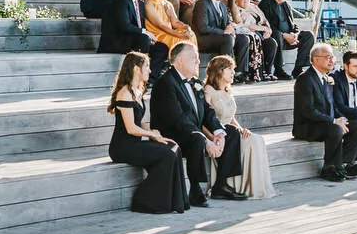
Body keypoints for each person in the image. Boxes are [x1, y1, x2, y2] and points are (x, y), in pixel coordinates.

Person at [150, 42, 241, 206]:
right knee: (197, 140)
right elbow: (178, 120)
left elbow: (207, 111)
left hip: (191, 131)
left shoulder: (195, 82)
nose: (198, 62)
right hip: (173, 134)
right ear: (179, 61)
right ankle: (195, 189)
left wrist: (218, 132)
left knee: (231, 132)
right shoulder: (165, 83)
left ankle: (221, 184)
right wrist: (206, 140)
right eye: (194, 58)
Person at [106, 53, 189, 214]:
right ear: (136, 68)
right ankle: (145, 200)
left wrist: (152, 131)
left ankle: (177, 201)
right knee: (167, 154)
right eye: (147, 67)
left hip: (135, 143)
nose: (150, 71)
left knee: (174, 147)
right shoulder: (125, 93)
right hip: (123, 147)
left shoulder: (137, 90)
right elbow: (131, 128)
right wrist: (151, 136)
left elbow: (139, 120)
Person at [203, 55, 272, 198]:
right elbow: (204, 117)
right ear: (219, 70)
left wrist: (241, 128)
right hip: (215, 131)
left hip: (230, 129)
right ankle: (222, 184)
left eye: (233, 69)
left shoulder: (228, 91)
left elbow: (231, 117)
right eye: (229, 69)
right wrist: (211, 137)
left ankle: (251, 187)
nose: (233, 72)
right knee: (235, 133)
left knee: (256, 139)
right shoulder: (208, 90)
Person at [294, 42, 357, 181]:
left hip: (326, 123)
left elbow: (332, 106)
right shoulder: (305, 78)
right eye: (327, 57)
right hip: (308, 126)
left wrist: (340, 118)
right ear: (315, 59)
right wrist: (333, 121)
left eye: (332, 57)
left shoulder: (326, 78)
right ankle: (329, 168)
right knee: (335, 129)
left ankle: (343, 164)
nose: (331, 60)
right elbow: (308, 110)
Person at [142, 0, 195, 76]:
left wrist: (186, 27)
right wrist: (178, 35)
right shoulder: (149, 3)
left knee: (190, 35)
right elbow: (160, 25)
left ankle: (189, 72)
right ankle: (178, 70)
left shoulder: (168, 3)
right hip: (158, 34)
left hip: (169, 32)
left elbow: (175, 22)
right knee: (178, 40)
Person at [261, 0, 305, 81]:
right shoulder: (265, 4)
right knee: (277, 35)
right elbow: (268, 26)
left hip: (289, 38)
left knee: (308, 36)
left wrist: (295, 34)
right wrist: (284, 35)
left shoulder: (286, 5)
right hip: (276, 37)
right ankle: (279, 70)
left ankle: (298, 68)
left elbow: (293, 25)